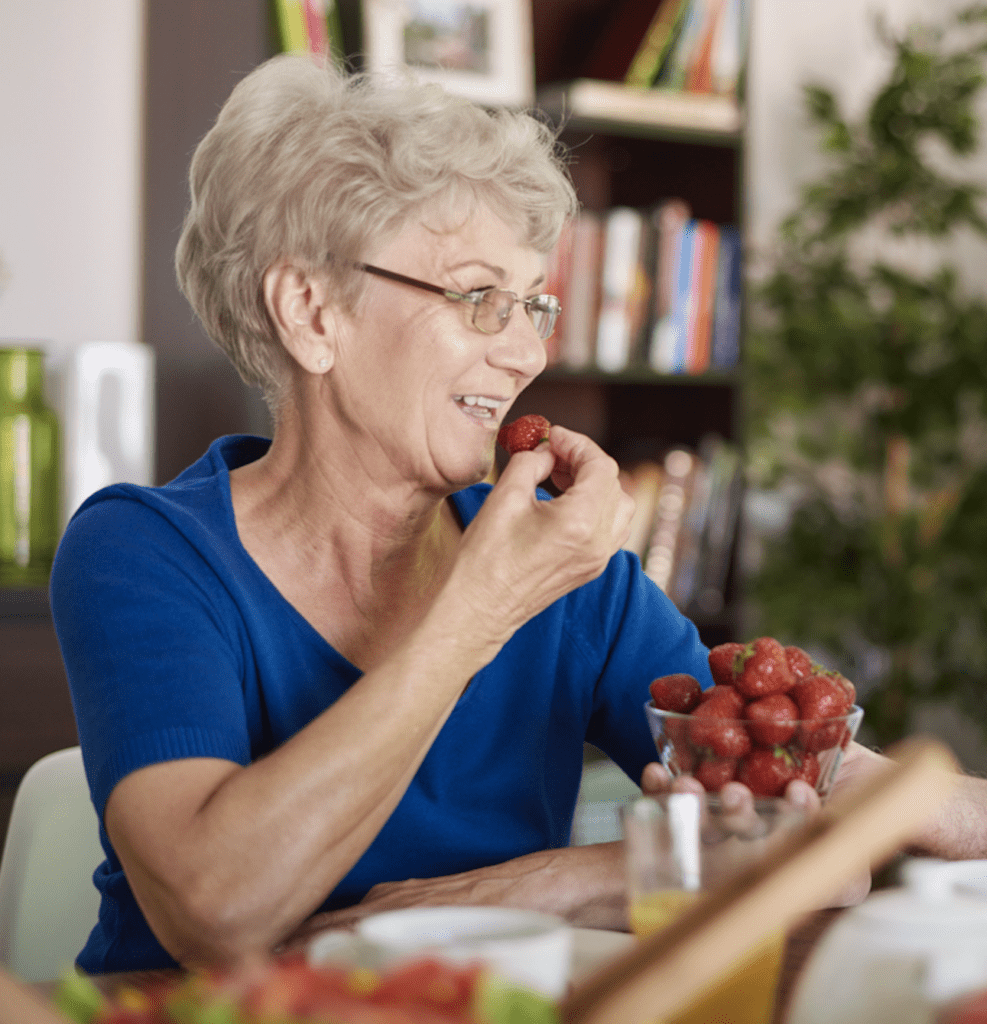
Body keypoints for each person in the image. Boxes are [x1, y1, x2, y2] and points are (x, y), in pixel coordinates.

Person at [49, 52, 702, 975]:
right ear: (312, 312)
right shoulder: (145, 552)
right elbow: (216, 909)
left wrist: (529, 887)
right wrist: (479, 610)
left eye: (534, 305)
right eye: (479, 297)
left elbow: (803, 811)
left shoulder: (565, 568)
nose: (525, 353)